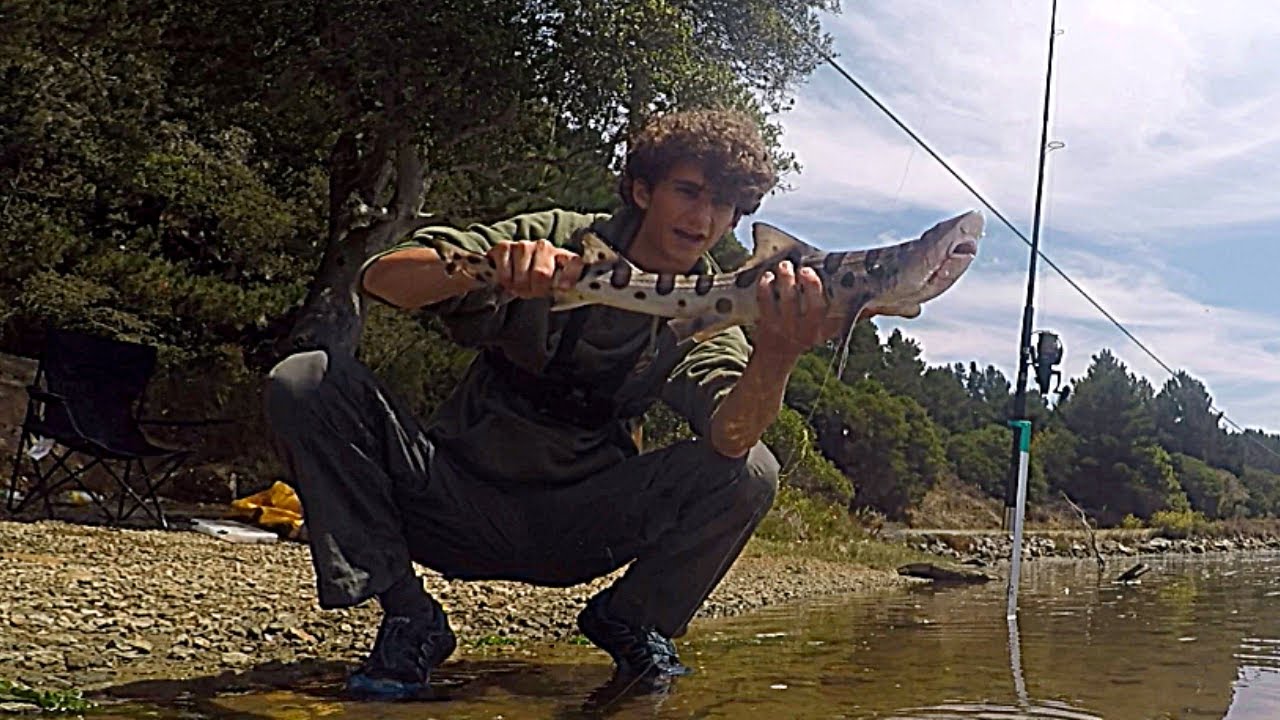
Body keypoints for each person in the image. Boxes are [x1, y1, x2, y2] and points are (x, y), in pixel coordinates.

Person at [264, 109, 843, 700]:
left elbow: (730, 438)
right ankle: (410, 615)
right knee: (305, 378)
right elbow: (383, 280)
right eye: (688, 192)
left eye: (723, 205)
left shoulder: (717, 304)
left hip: (578, 530)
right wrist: (493, 268)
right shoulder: (562, 234)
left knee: (752, 471)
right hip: (451, 501)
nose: (702, 220)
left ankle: (630, 620)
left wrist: (778, 351)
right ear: (643, 189)